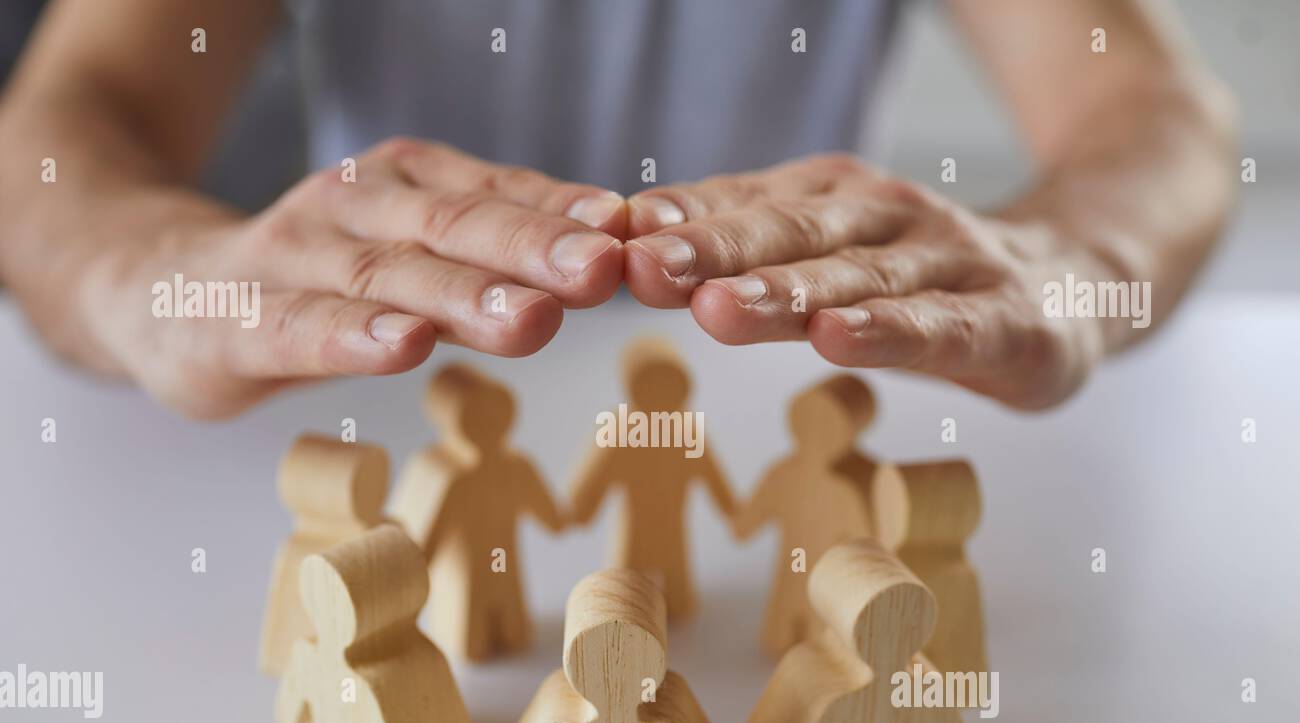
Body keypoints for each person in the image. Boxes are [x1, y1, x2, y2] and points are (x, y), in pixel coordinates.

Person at [0, 0, 1236, 420]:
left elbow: (1154, 112)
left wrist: (1075, 260)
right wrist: (140, 272)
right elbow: (68, 119)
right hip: (363, 407)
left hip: (779, 389)